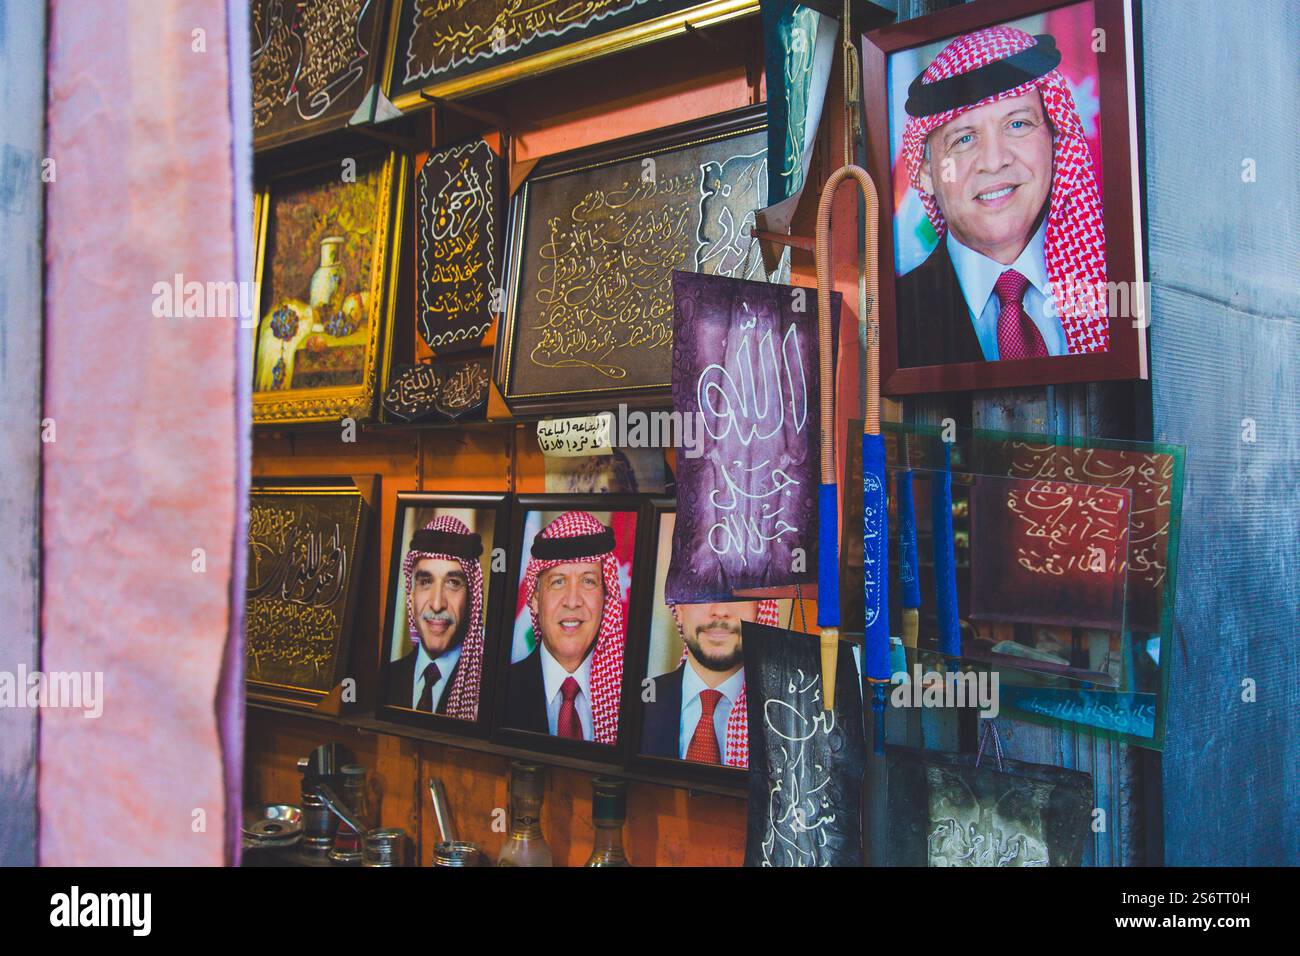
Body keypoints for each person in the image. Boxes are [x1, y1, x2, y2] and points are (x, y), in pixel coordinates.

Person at [895, 26, 1107, 368]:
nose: (994, 161)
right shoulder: (894, 315)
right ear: (926, 174)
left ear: (1056, 141)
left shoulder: (1117, 289)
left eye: (1018, 125)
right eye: (963, 139)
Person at [506, 511, 626, 744]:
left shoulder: (633, 700)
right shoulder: (498, 693)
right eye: (558, 581)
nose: (573, 601)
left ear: (606, 597)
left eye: (588, 581)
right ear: (534, 598)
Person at [641, 600, 778, 768]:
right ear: (680, 608)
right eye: (702, 590)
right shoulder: (633, 705)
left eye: (738, 590)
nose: (720, 610)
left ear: (760, 607)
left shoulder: (787, 722)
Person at [387, 515, 484, 719]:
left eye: (453, 583)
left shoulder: (487, 689)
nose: (437, 604)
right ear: (411, 594)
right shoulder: (387, 678)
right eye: (425, 582)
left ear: (472, 597)